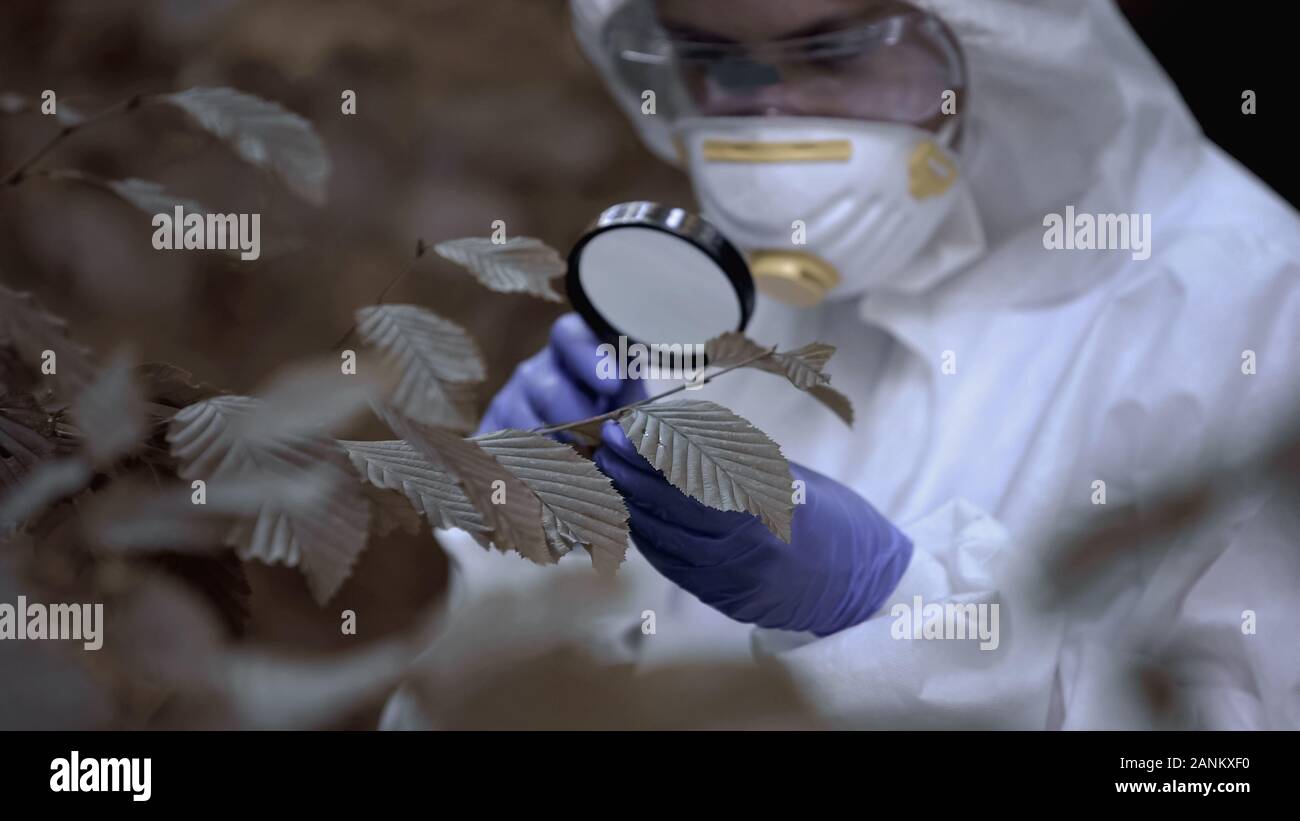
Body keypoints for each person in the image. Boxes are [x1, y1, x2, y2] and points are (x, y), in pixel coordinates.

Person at [383, 0, 1300, 729]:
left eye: (836, 51)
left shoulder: (1251, 303)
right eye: (714, 60)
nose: (768, 117)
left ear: (1004, 37)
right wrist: (520, 574)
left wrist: (897, 621)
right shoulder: (735, 290)